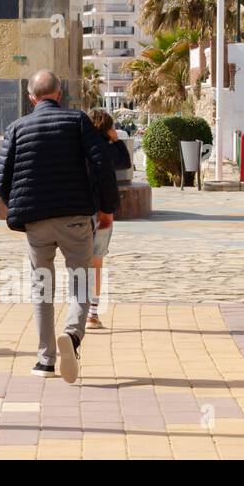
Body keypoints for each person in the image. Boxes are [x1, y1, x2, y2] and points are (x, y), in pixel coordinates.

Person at [0, 70, 118, 383]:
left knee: (41, 287)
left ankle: (45, 360)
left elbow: (2, 181)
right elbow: (102, 163)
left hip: (35, 220)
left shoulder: (16, 128)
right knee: (80, 280)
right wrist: (106, 208)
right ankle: (73, 336)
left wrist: (19, 206)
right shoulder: (78, 121)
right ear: (59, 94)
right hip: (75, 217)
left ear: (31, 97)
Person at [86, 108, 131, 329]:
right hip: (103, 212)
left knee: (78, 262)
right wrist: (117, 141)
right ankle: (92, 314)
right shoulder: (107, 149)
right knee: (97, 262)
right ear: (107, 128)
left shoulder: (80, 149)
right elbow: (124, 163)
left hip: (80, 210)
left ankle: (79, 309)